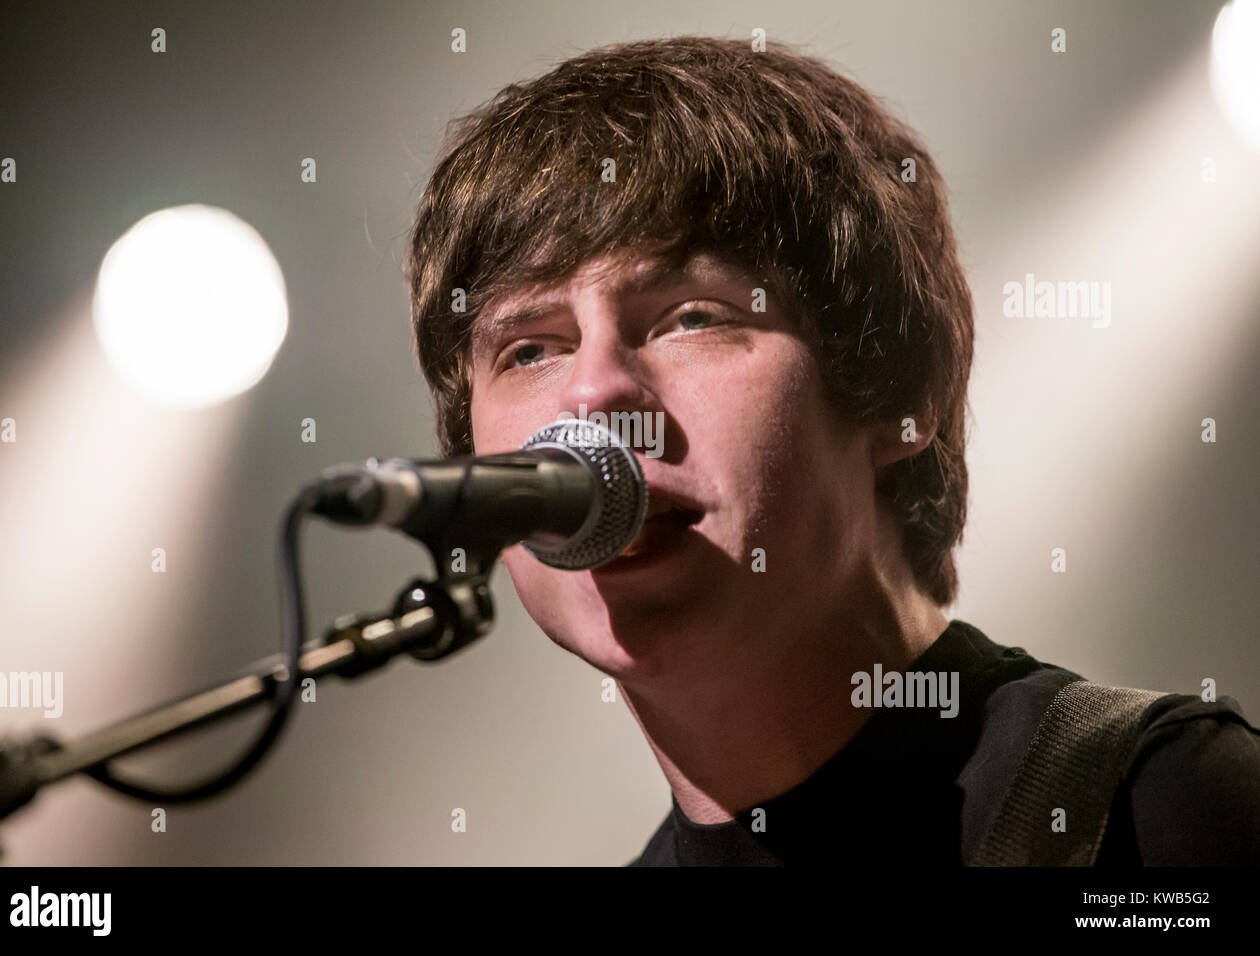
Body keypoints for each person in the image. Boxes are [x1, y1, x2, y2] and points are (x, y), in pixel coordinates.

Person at [401, 35, 1260, 865]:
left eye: (692, 317)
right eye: (531, 349)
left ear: (896, 391)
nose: (591, 397)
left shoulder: (1167, 808)